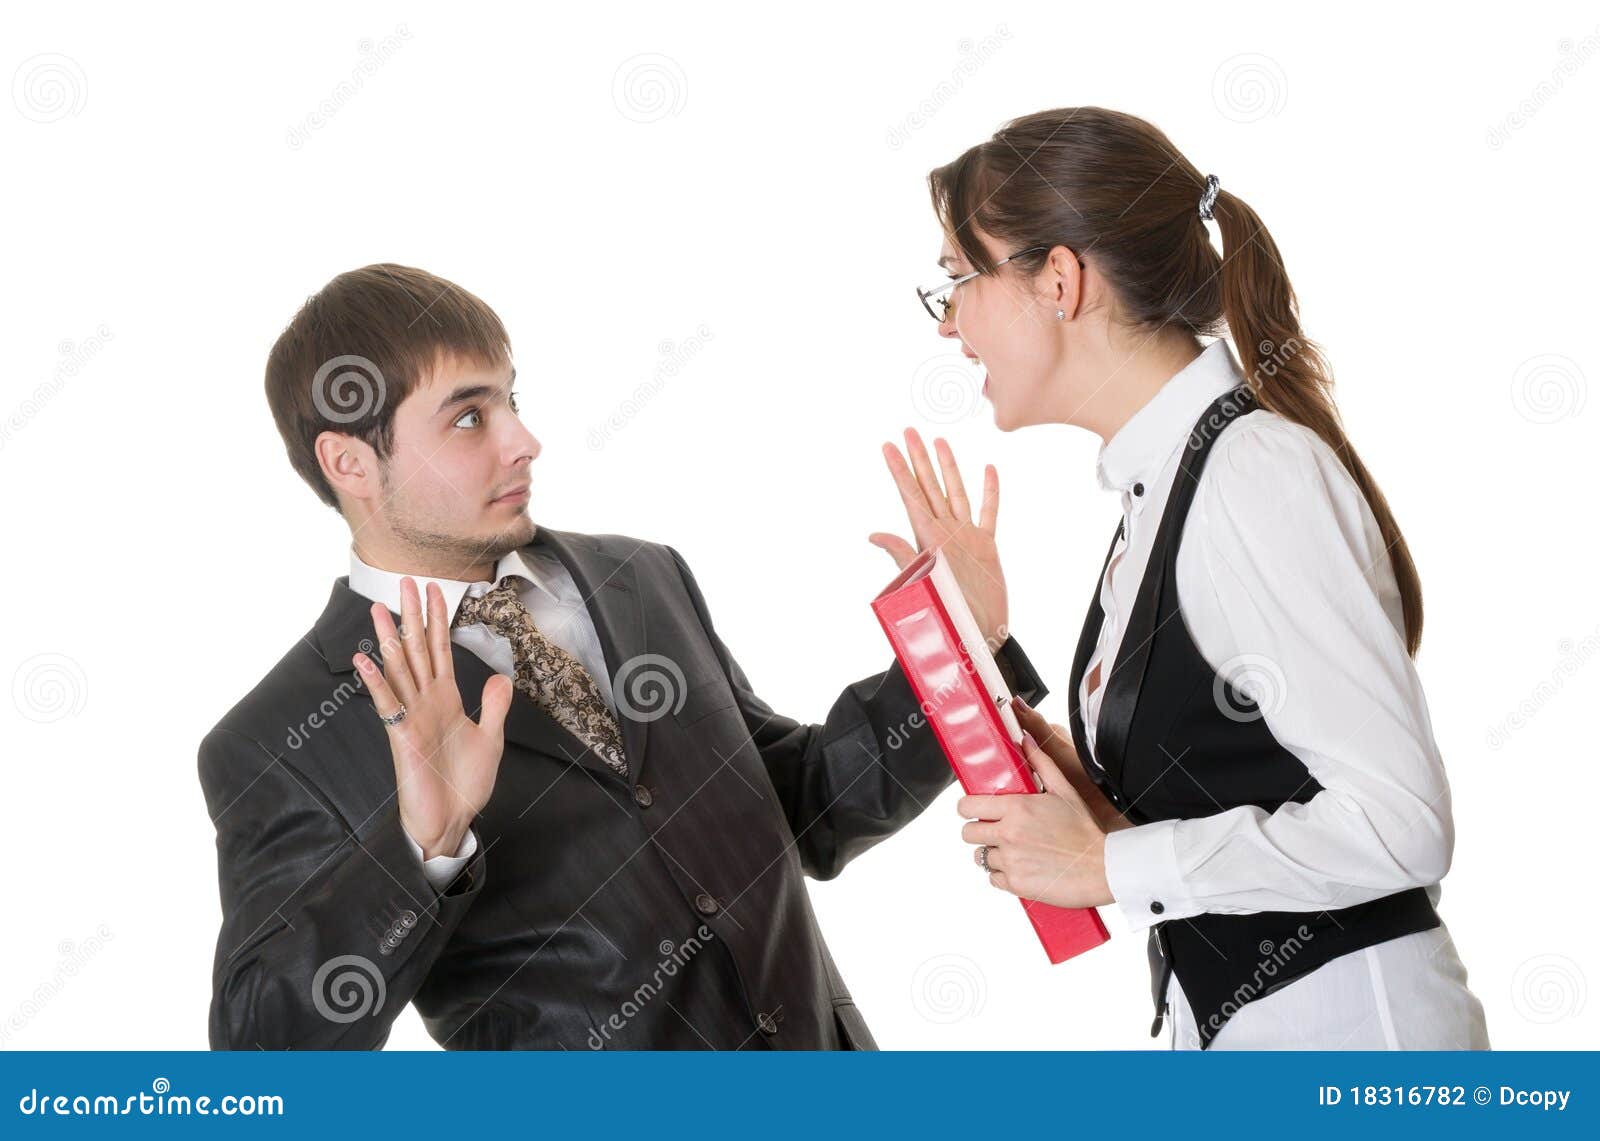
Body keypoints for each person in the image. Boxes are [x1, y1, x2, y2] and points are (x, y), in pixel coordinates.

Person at [199, 263, 1048, 1050]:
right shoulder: (279, 736)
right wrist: (424, 845)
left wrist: (958, 644)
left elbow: (802, 813)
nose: (523, 441)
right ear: (349, 461)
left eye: (511, 400)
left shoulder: (640, 577)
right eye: (469, 417)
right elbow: (262, 1049)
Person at [906, 106, 1489, 1050]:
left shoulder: (1253, 476)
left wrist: (1112, 864)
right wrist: (1097, 816)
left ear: (1059, 280)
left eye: (956, 280)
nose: (948, 325)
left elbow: (1401, 822)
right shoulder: (1162, 487)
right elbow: (1244, 780)